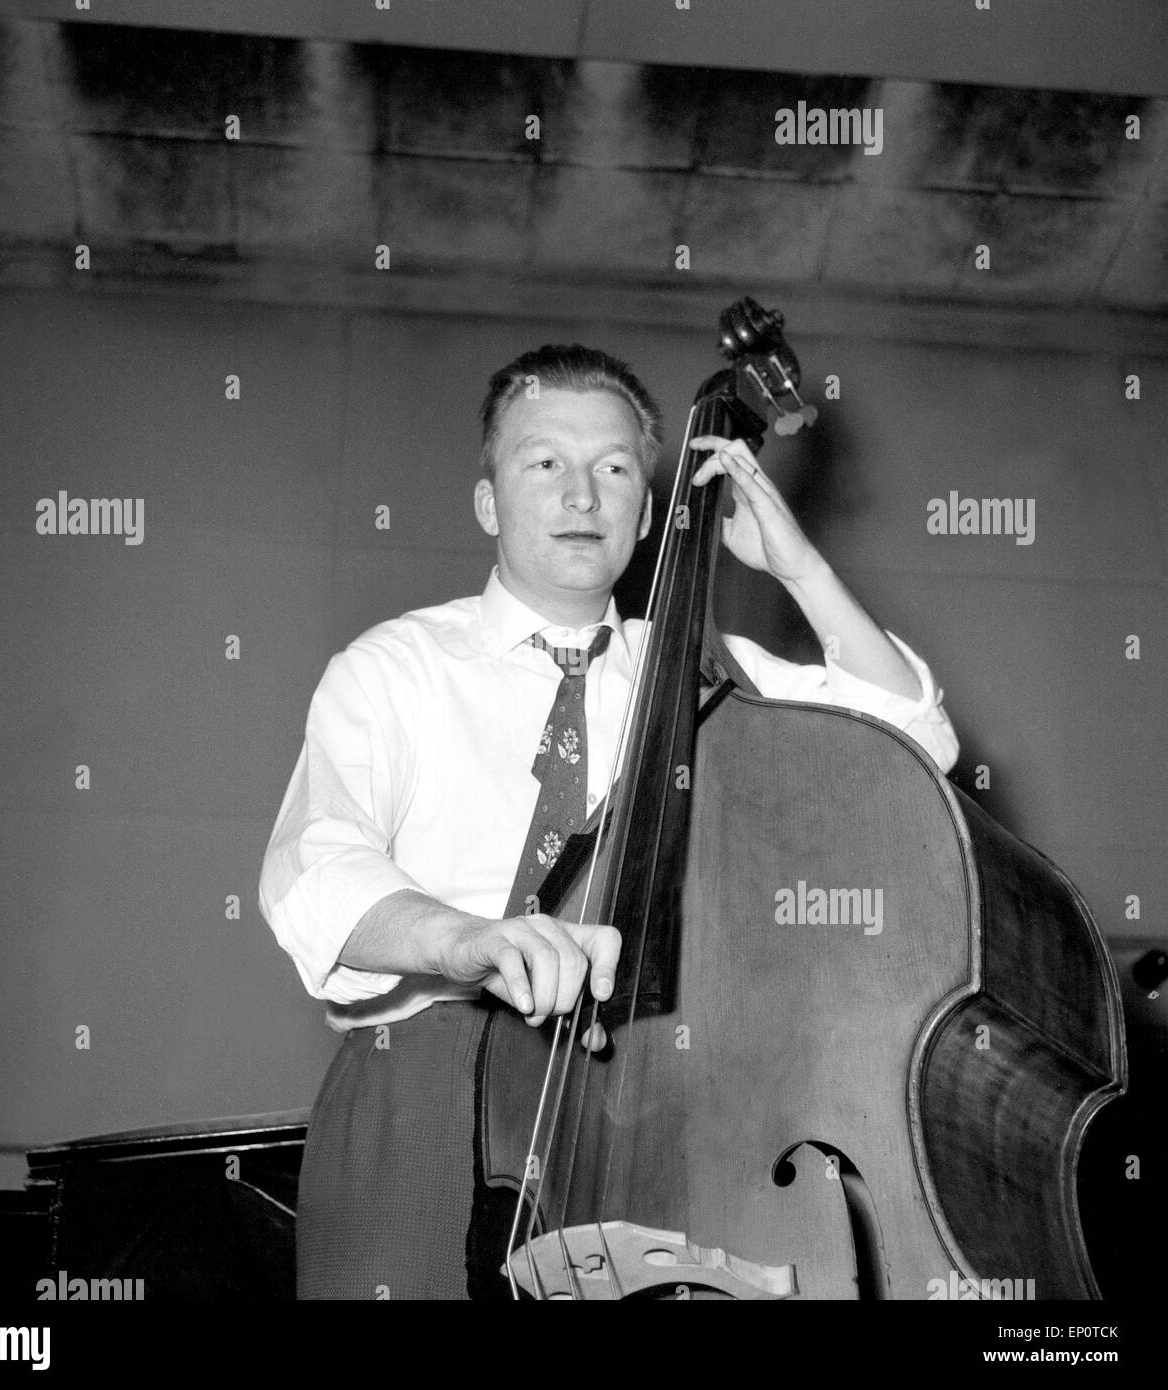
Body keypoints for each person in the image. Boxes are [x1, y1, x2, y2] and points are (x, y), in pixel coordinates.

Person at [259, 344, 958, 1300]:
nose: (582, 495)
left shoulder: (712, 678)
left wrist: (796, 568)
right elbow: (315, 865)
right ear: (488, 503)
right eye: (543, 463)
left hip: (653, 1097)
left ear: (650, 508)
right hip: (426, 1075)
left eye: (616, 468)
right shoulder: (394, 666)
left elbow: (914, 736)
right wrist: (466, 940)